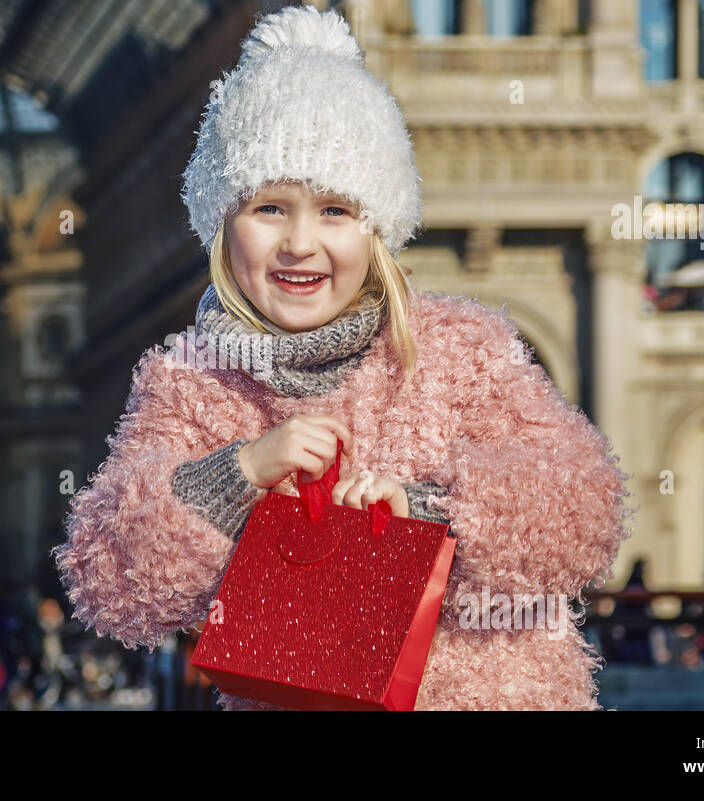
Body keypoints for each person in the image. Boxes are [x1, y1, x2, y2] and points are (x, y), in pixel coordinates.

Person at [51, 6, 633, 711]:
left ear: (377, 230)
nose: (300, 242)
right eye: (269, 207)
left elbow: (584, 502)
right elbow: (108, 575)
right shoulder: (192, 380)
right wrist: (237, 473)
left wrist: (430, 510)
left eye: (335, 211)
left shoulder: (460, 348)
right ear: (222, 222)